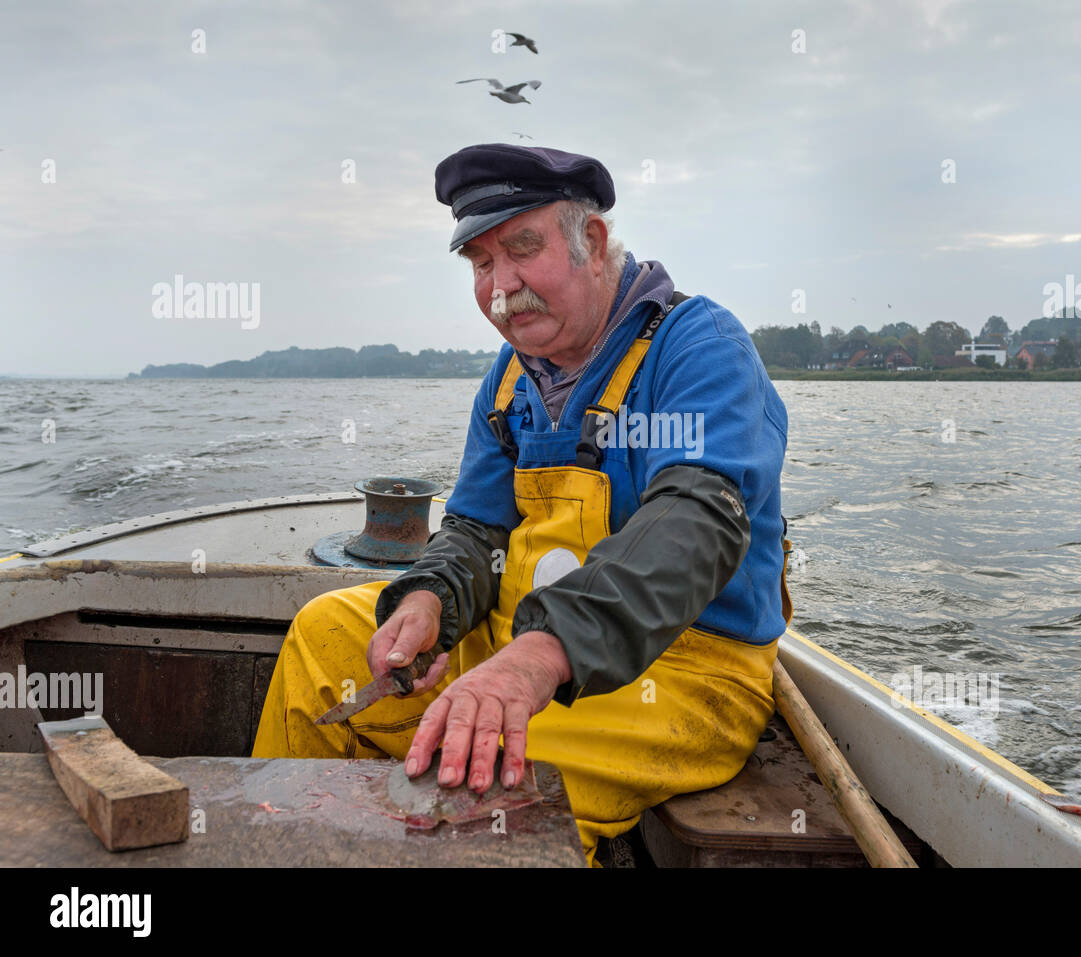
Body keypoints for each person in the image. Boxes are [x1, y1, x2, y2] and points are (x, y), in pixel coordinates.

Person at [252, 143, 791, 865]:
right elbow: (475, 530)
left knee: (477, 772)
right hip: (523, 640)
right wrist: (431, 598)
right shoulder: (508, 382)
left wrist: (539, 655)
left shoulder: (699, 346)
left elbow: (697, 518)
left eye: (522, 248)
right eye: (480, 264)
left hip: (681, 671)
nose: (501, 288)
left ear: (592, 243)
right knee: (324, 636)